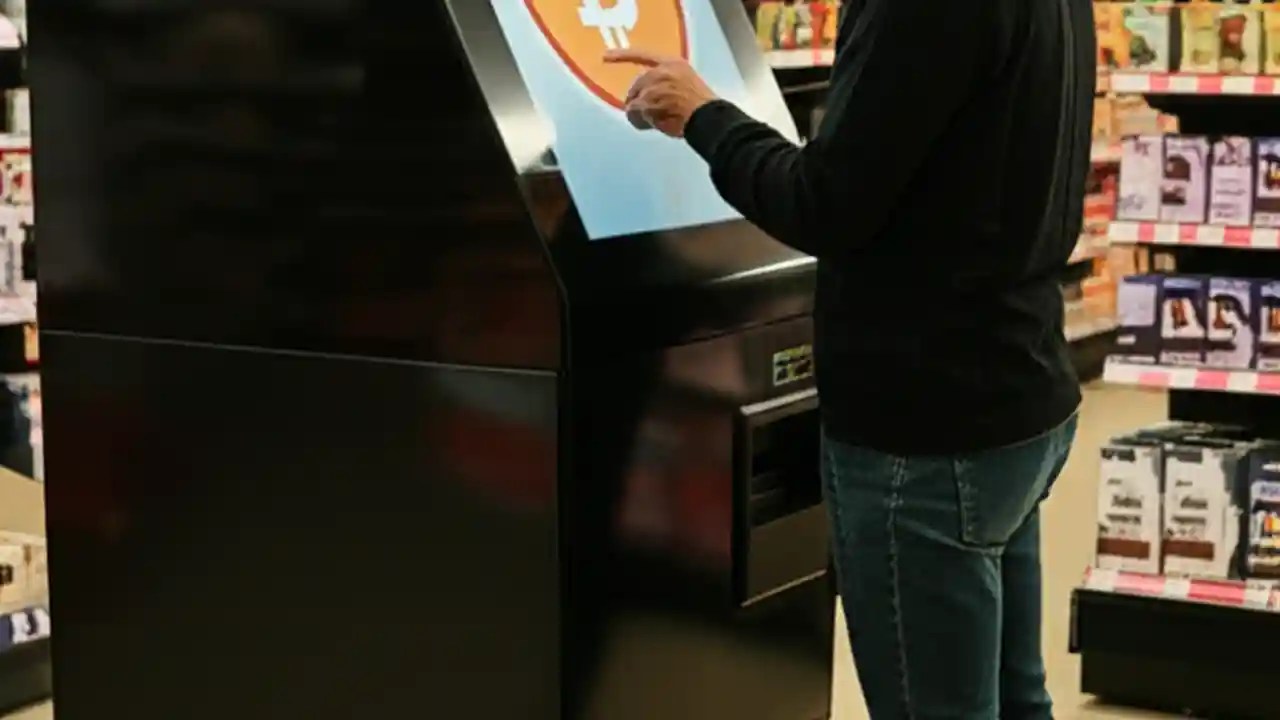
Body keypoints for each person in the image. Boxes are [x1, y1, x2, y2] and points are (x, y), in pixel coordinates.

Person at [605, 0, 1094, 718]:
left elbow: (824, 204)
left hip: (925, 433)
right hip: (1017, 391)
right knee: (1017, 699)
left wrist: (705, 117)